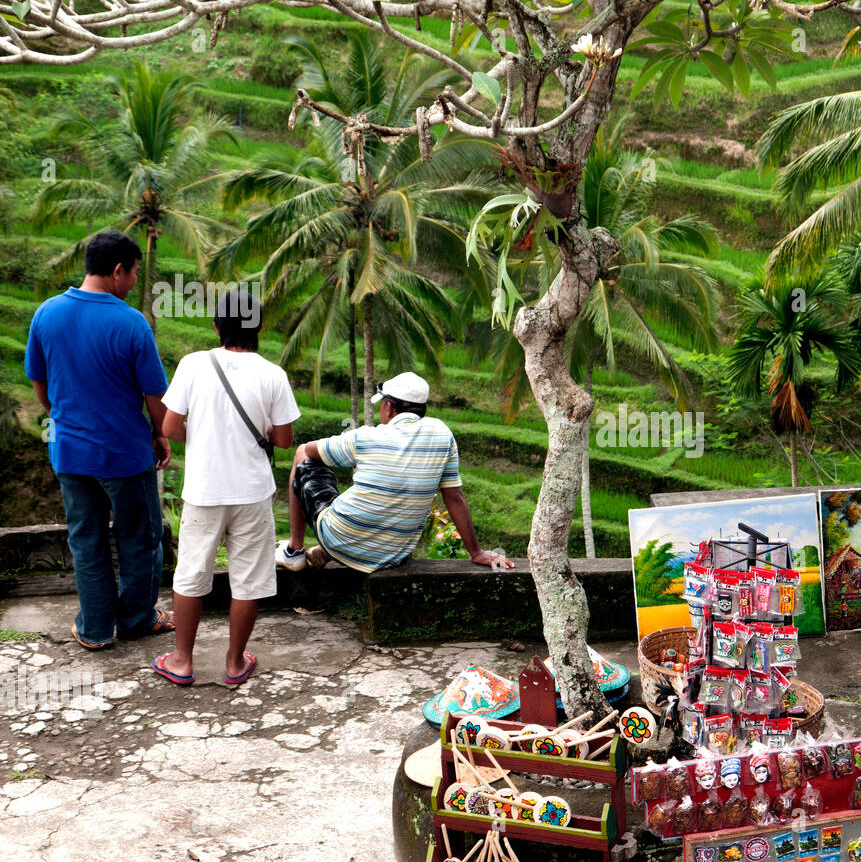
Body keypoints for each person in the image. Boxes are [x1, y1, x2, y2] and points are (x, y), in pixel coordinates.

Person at [25, 230, 173, 650]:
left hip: (69, 453)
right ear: (117, 270)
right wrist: (160, 437)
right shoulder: (130, 322)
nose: (133, 282)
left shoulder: (47, 313)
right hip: (125, 455)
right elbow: (154, 397)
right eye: (134, 274)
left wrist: (64, 417)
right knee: (139, 537)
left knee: (86, 539)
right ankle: (136, 620)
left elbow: (40, 383)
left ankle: (94, 629)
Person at [153, 291, 300, 686]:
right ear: (260, 329)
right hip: (252, 492)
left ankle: (182, 662)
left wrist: (201, 434)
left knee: (190, 574)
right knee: (248, 578)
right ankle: (235, 663)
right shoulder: (273, 374)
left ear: (217, 327)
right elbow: (284, 440)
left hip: (204, 490)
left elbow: (168, 427)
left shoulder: (193, 364)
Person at [276, 372, 512, 573]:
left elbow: (309, 450)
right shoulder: (442, 434)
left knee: (301, 455)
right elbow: (455, 496)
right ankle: (328, 552)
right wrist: (476, 552)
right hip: (393, 556)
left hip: (340, 537)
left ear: (388, 406)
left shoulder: (367, 436)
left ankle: (294, 551)